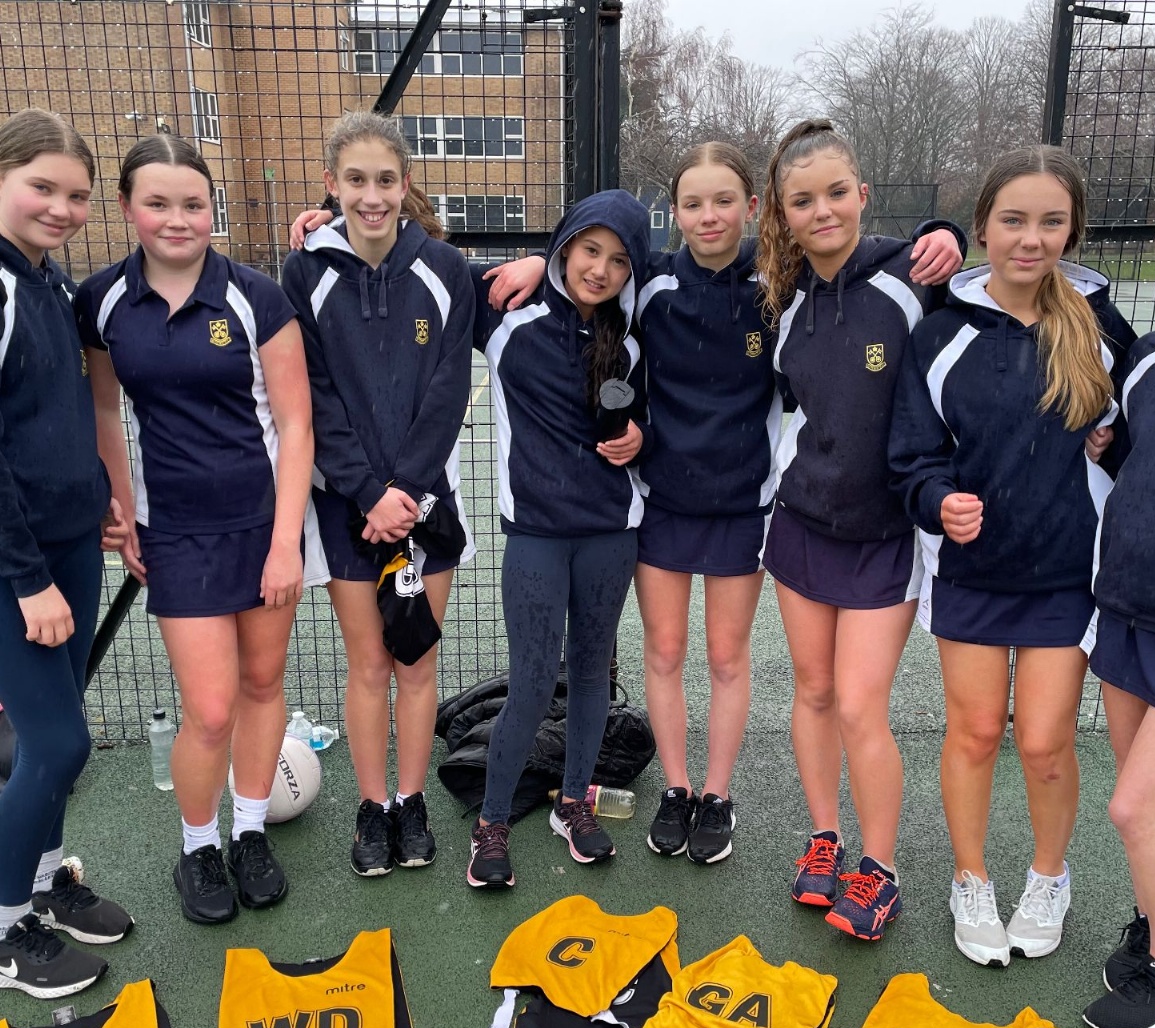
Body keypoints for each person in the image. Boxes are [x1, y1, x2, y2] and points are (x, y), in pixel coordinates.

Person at [484, 141, 960, 871]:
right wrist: (532, 262)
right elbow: (584, 274)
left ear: (752, 207)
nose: (709, 216)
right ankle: (676, 790)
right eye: (693, 204)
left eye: (724, 201)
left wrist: (944, 232)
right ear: (674, 214)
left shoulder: (781, 281)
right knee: (665, 652)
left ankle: (716, 795)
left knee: (728, 657)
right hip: (662, 503)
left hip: (744, 505)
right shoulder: (648, 284)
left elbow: (867, 259)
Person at [889, 145, 1136, 968]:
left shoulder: (1102, 330)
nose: (1032, 239)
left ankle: (1049, 877)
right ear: (983, 226)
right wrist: (938, 501)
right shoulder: (940, 334)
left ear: (1073, 230)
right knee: (972, 733)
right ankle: (970, 879)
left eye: (1051, 222)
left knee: (1043, 742)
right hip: (973, 573)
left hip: (1067, 574)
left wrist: (1113, 443)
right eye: (1014, 220)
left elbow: (1147, 436)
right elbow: (912, 454)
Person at [77, 135, 313, 926]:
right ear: (126, 208)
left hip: (264, 526)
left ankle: (250, 834)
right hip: (174, 532)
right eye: (158, 203)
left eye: (193, 204)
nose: (177, 219)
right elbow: (104, 406)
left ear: (212, 208)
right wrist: (122, 506)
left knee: (263, 685)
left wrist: (286, 542)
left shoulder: (255, 296)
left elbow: (296, 423)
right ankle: (199, 846)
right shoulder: (102, 300)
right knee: (210, 709)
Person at [754, 119, 964, 941]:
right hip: (802, 524)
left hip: (885, 534)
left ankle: (880, 868)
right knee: (811, 692)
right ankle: (825, 838)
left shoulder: (913, 279)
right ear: (784, 213)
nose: (823, 211)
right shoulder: (782, 297)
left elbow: (992, 288)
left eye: (837, 193)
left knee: (858, 704)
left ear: (863, 194)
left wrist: (945, 232)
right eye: (803, 200)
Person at [281, 112, 474, 879]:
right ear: (331, 183)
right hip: (347, 508)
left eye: (385, 180)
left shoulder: (445, 269)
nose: (371, 195)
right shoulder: (304, 272)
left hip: (425, 505)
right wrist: (368, 493)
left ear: (405, 184)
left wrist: (406, 491)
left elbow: (450, 387)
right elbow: (313, 395)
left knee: (416, 661)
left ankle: (411, 801)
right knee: (368, 663)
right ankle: (372, 807)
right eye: (356, 180)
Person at [463, 189, 650, 889]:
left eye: (619, 260)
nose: (600, 270)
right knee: (535, 679)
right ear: (565, 247)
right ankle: (491, 823)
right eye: (589, 250)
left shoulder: (634, 335)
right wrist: (324, 219)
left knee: (594, 670)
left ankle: (573, 804)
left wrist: (643, 438)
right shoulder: (506, 314)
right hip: (537, 534)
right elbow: (418, 255)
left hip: (611, 532)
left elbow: (660, 416)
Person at [0, 108, 134, 998]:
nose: (61, 208)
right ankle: (6, 926)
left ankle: (46, 883)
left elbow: (56, 417)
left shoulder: (49, 282)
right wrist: (27, 580)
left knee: (58, 735)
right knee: (54, 744)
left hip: (70, 543)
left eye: (78, 195)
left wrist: (101, 504)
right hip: (18, 565)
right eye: (41, 187)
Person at [1081, 184, 1155, 1028]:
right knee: (1134, 802)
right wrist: (1104, 445)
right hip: (1126, 609)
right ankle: (1154, 927)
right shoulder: (1153, 358)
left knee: (1134, 807)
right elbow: (1130, 455)